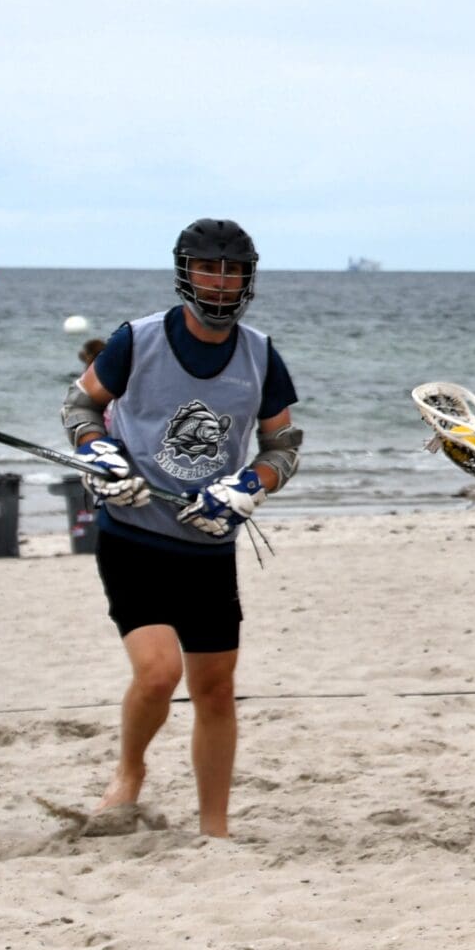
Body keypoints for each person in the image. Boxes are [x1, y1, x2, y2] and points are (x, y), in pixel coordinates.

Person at [61, 218, 301, 838]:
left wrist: (248, 487)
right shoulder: (136, 341)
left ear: (248, 279)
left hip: (209, 546)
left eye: (232, 272)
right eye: (208, 269)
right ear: (185, 272)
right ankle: (129, 771)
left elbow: (282, 447)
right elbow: (80, 405)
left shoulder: (260, 353)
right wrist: (98, 453)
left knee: (216, 689)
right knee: (160, 673)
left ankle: (214, 830)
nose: (220, 283)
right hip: (133, 535)